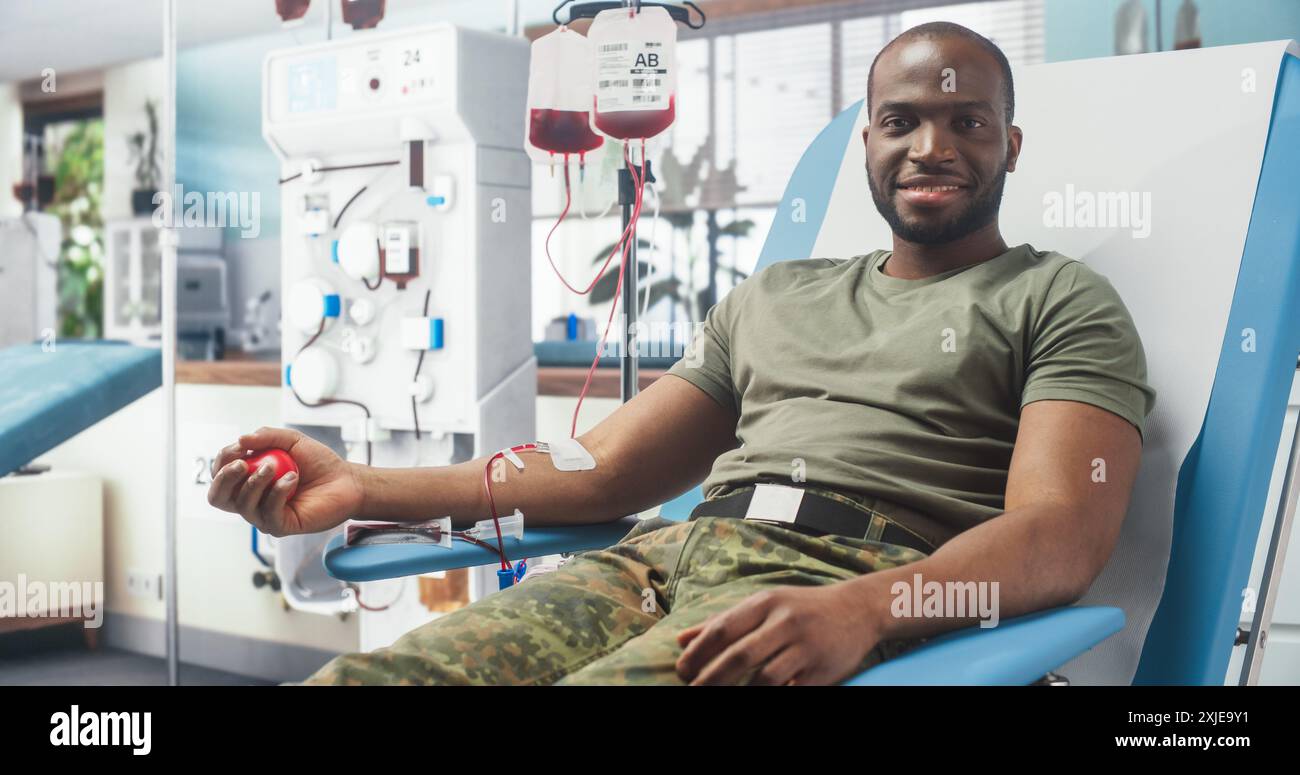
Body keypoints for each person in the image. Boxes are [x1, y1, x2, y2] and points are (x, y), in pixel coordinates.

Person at [207, 22, 1155, 685]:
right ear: (868, 139)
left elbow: (1063, 533)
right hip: (656, 558)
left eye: (967, 122)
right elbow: (601, 468)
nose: (930, 146)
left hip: (835, 580)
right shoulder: (774, 295)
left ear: (1011, 144)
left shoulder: (1059, 300)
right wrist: (362, 487)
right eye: (902, 121)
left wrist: (866, 610)